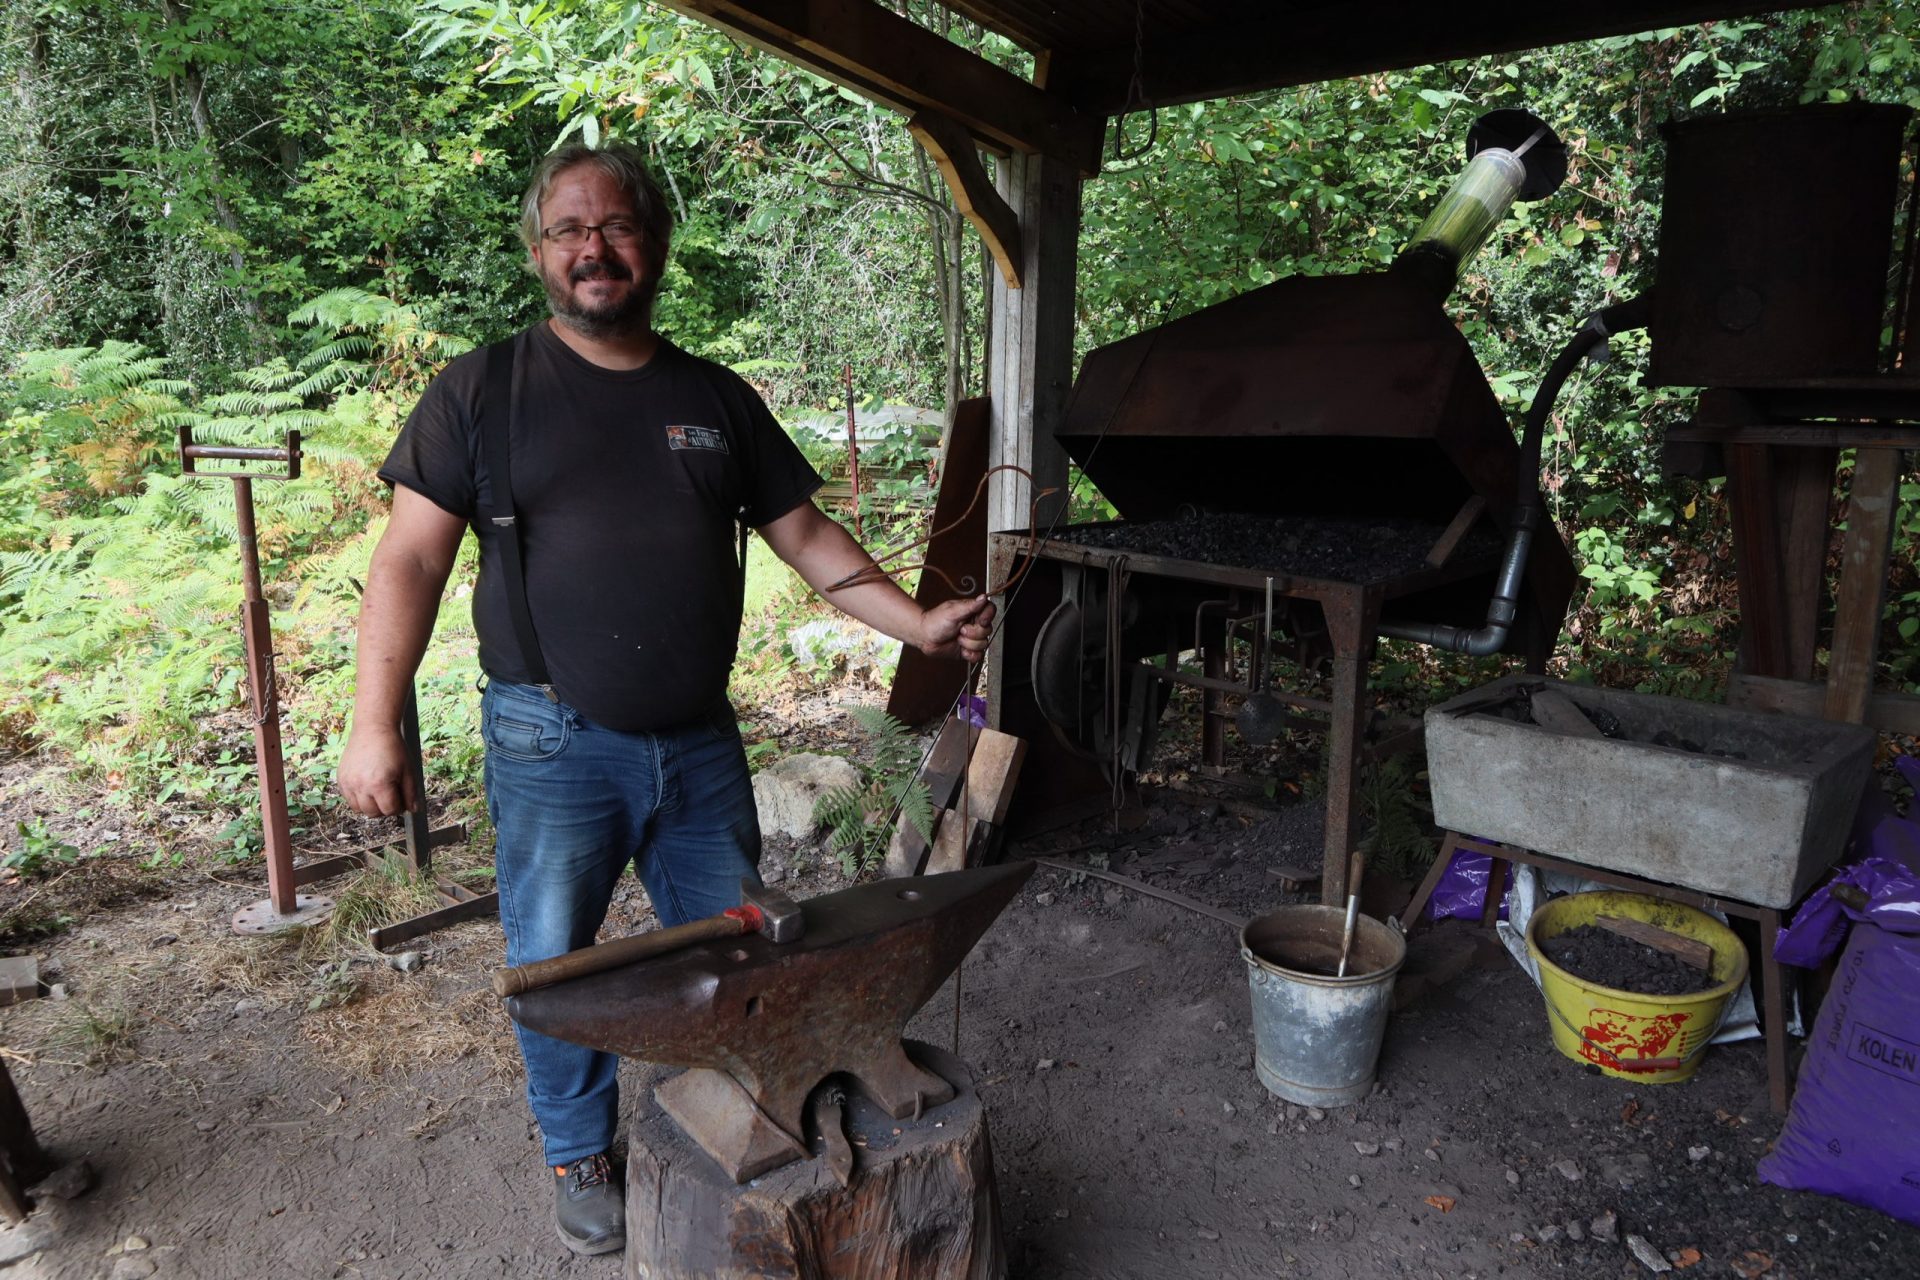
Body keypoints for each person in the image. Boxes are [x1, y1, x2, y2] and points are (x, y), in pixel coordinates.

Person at [335, 143, 993, 1257]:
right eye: (569, 229)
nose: (594, 248)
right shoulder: (481, 392)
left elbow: (806, 537)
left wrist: (918, 624)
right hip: (551, 740)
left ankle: (747, 1100)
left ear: (656, 245)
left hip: (699, 744)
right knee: (559, 962)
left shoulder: (714, 398)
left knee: (740, 944)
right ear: (538, 252)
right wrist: (371, 721)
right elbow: (408, 560)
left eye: (618, 226)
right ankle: (577, 1152)